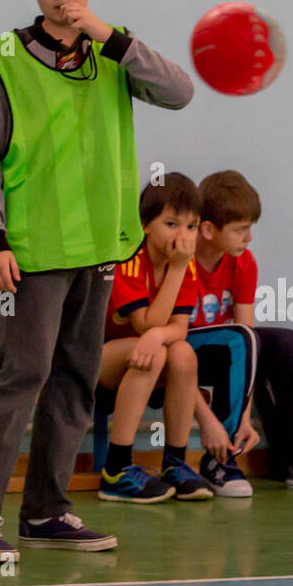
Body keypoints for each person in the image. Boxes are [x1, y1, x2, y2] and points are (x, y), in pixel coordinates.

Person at [0, 0, 193, 560]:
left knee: (76, 378)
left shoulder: (115, 53)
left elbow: (180, 92)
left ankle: (48, 511)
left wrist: (110, 36)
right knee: (22, 374)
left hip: (101, 246)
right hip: (31, 250)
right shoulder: (4, 57)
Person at [187, 169, 293, 495]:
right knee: (236, 343)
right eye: (240, 229)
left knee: (285, 343)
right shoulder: (183, 262)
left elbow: (247, 339)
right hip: (186, 350)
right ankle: (218, 460)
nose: (249, 237)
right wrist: (207, 420)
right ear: (208, 230)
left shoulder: (242, 262)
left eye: (249, 228)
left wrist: (244, 418)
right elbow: (176, 349)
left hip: (233, 349)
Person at [96, 173, 209, 503]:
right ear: (146, 225)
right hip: (96, 360)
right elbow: (146, 323)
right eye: (172, 224)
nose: (183, 235)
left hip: (142, 355)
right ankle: (116, 469)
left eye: (191, 226)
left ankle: (174, 462)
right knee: (158, 353)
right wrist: (156, 333)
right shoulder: (128, 257)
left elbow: (178, 328)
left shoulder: (183, 265)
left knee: (183, 353)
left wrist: (157, 335)